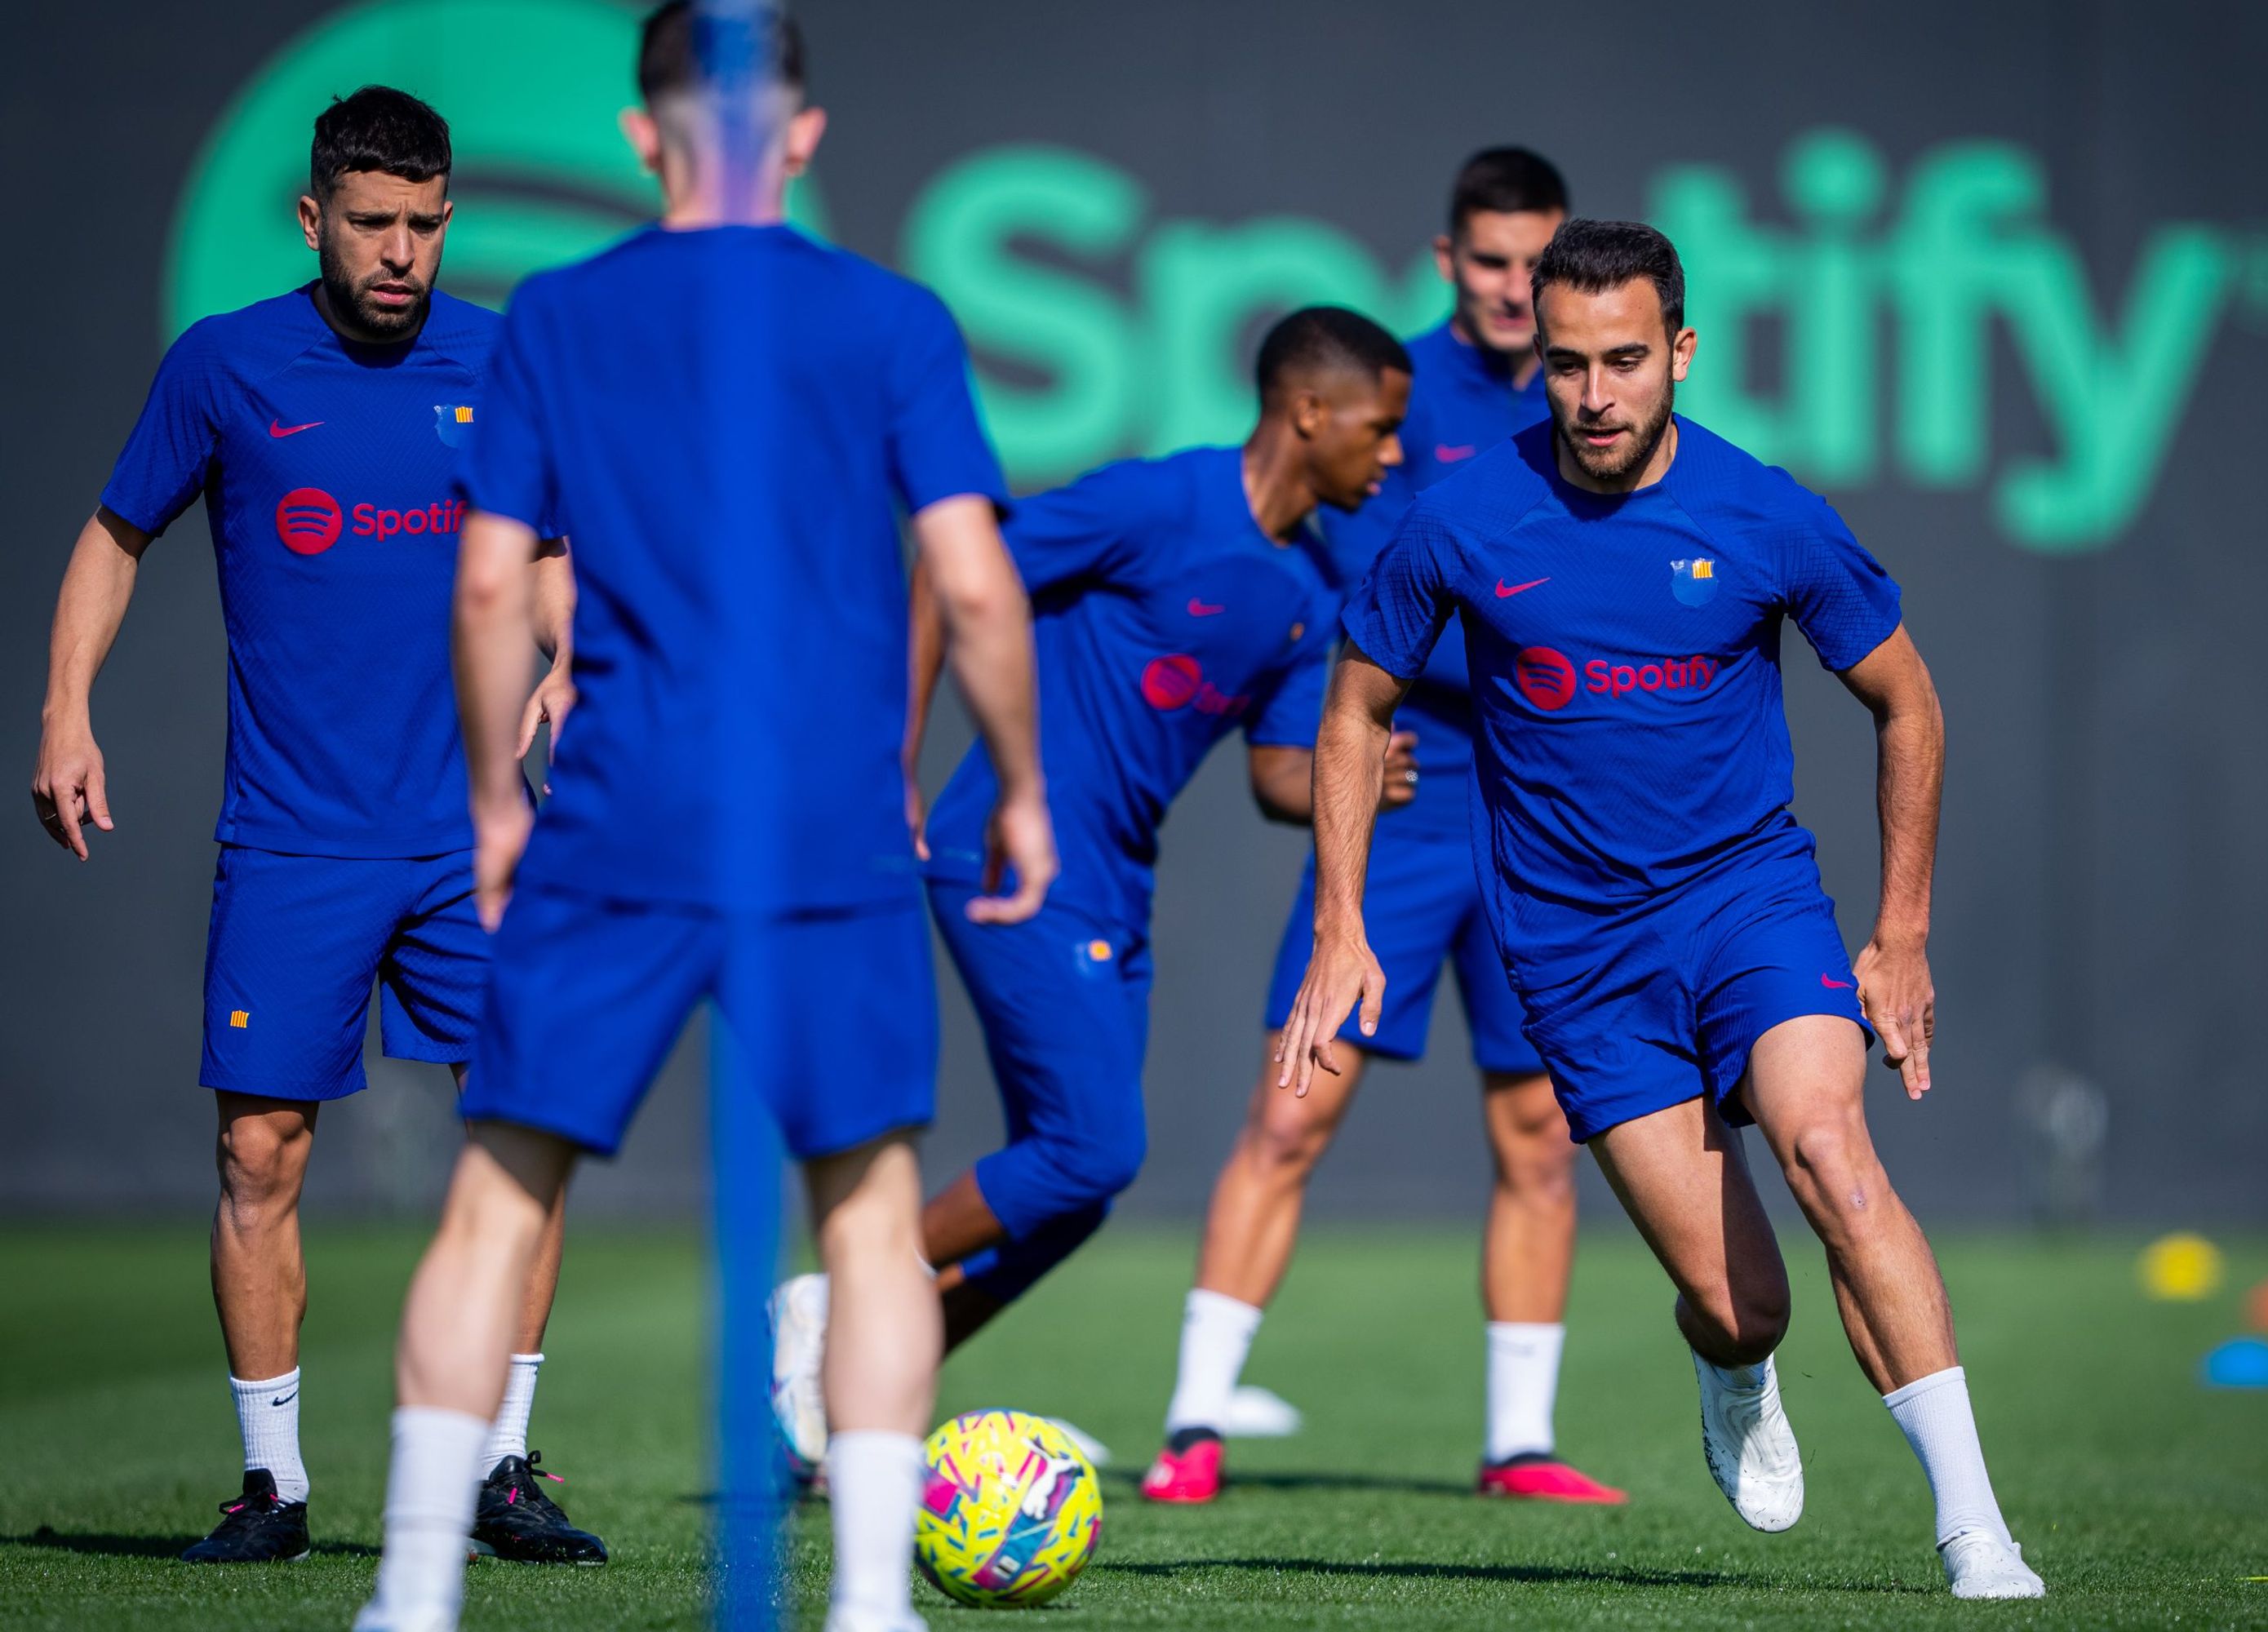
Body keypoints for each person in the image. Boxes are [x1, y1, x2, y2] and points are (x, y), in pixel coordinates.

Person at [348, 7, 1050, 1630]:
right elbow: (971, 582)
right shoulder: (890, 317)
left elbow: (482, 584)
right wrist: (1015, 786)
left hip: (618, 810)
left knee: (496, 1197)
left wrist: (485, 808)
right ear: (798, 134)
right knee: (872, 1214)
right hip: (827, 823)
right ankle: (872, 1605)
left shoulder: (553, 315)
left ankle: (410, 1595)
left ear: (640, 132)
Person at [1278, 218, 2045, 1599]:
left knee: (1832, 1154)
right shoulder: (1458, 515)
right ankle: (1734, 1371)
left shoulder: (1764, 511)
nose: (1596, 396)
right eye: (1568, 366)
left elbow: (1907, 700)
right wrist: (1343, 923)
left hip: (1748, 906)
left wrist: (1903, 930)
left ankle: (1974, 1531)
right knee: (1746, 1302)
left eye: (1626, 360)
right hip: (1575, 959)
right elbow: (1354, 709)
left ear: (1679, 352)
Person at [29, 85, 596, 1567]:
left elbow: (548, 560)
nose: (400, 251)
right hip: (293, 841)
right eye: (371, 224)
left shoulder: (501, 360)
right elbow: (113, 533)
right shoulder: (224, 368)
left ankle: (506, 1468)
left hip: (475, 834)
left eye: (424, 223)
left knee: (524, 1138)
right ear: (314, 217)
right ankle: (273, 1487)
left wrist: (573, 659)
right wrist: (63, 710)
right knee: (261, 1157)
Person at [766, 308, 1412, 1471]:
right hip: (1012, 859)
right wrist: (894, 764)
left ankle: (867, 1393)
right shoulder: (1157, 504)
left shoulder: (1312, 586)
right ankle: (842, 1301)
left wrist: (1358, 771)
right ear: (1310, 412)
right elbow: (951, 569)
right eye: (1384, 426)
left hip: (1116, 887)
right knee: (1094, 1148)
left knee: (1075, 1193)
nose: (1396, 452)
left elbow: (1275, 774)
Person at [1147, 147, 1625, 1507]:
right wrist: (1312, 737)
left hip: (1544, 819)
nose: (1517, 292)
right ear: (1446, 262)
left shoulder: (1597, 406)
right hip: (1405, 802)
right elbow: (1300, 562)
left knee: (1542, 1132)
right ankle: (1192, 1427)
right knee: (1292, 1112)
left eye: (1541, 264)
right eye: (1490, 261)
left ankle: (1519, 1444)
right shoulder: (1388, 397)